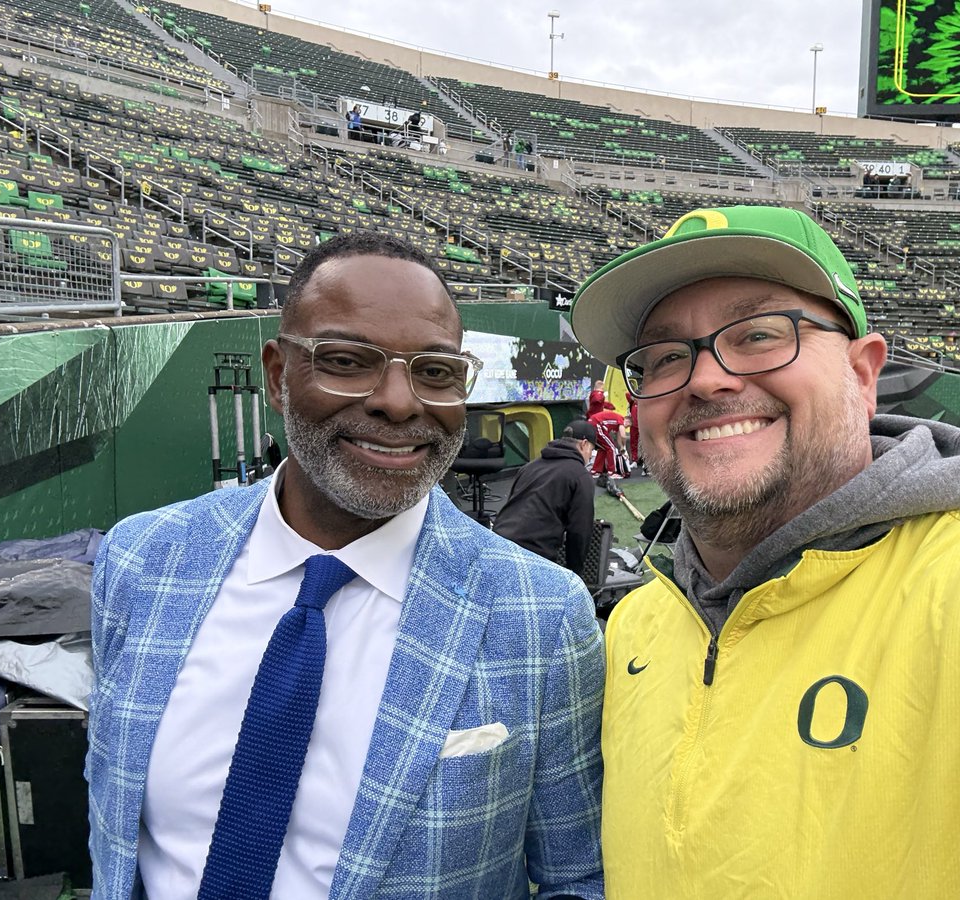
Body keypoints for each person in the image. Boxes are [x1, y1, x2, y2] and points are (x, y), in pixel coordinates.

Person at [569, 204, 960, 897]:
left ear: (864, 375)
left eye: (759, 334)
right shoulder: (638, 624)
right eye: (662, 358)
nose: (705, 379)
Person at [87, 232, 605, 900]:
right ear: (278, 375)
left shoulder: (542, 616)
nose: (399, 401)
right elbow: (117, 826)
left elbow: (575, 878)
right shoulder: (141, 561)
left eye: (436, 371)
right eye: (347, 361)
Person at [492, 419, 597, 581]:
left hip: (497, 545)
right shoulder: (580, 476)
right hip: (534, 557)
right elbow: (579, 532)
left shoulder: (529, 467)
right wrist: (576, 575)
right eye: (592, 450)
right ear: (584, 444)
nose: (590, 457)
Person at [587, 405, 626, 485]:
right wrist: (624, 446)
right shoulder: (621, 419)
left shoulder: (615, 420)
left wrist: (621, 447)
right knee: (611, 448)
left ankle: (595, 471)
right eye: (627, 426)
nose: (626, 427)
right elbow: (623, 435)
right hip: (597, 424)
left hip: (591, 423)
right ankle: (612, 472)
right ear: (627, 421)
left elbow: (619, 437)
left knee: (603, 448)